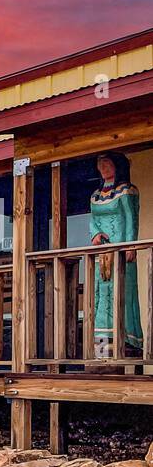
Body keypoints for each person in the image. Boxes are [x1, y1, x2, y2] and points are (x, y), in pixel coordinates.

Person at [89, 151, 142, 358]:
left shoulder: (127, 191)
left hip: (121, 250)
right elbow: (92, 219)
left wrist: (130, 245)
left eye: (107, 164)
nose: (103, 168)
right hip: (101, 252)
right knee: (101, 295)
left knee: (122, 292)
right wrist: (95, 234)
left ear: (118, 166)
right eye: (100, 165)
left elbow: (131, 218)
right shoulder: (95, 195)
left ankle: (127, 340)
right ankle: (102, 343)